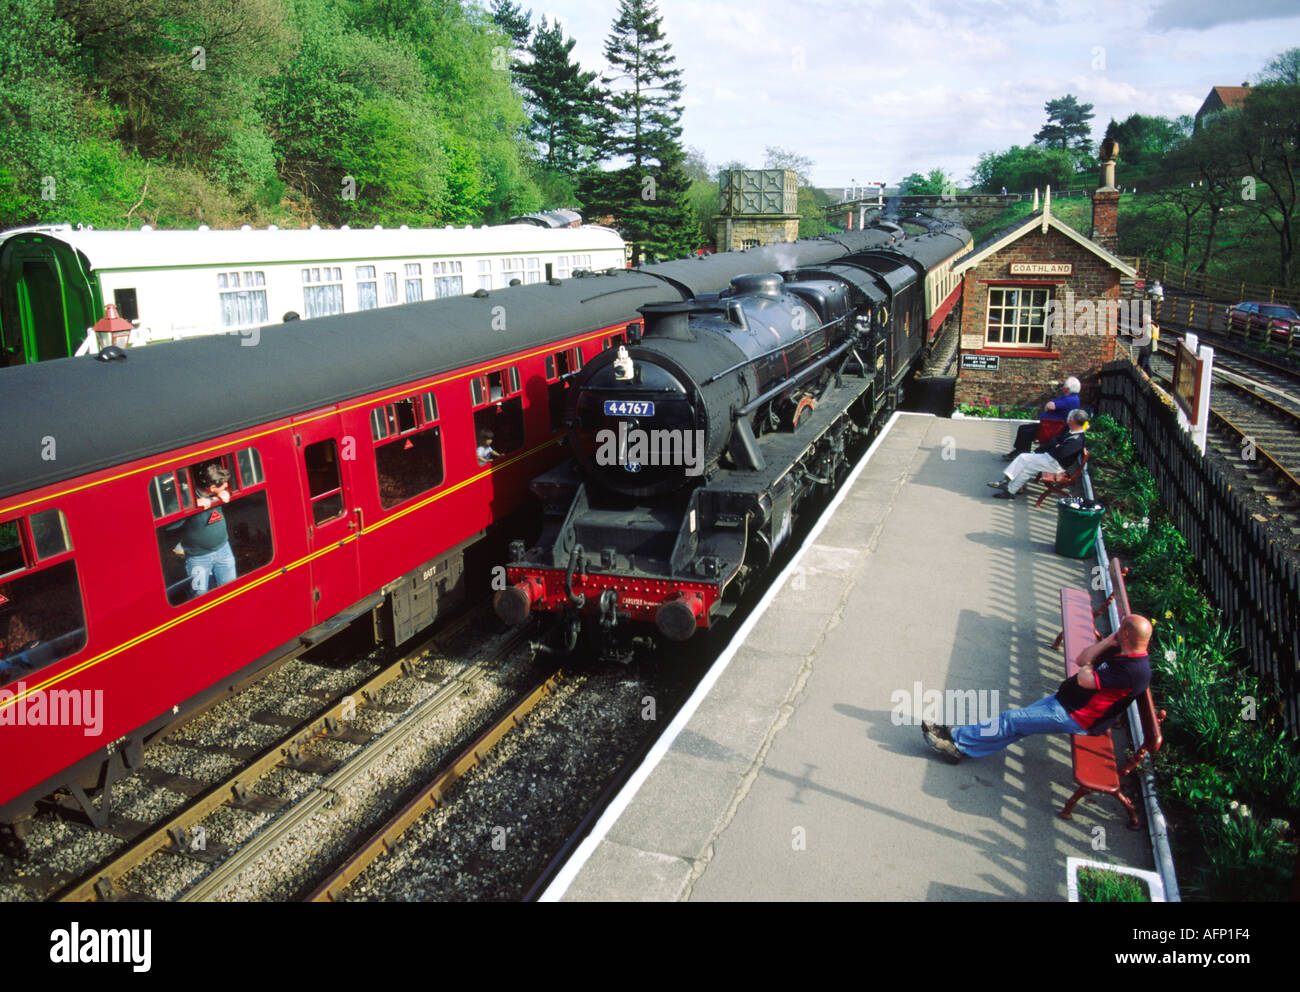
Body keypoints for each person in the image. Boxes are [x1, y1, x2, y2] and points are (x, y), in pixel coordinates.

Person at [922, 614, 1153, 762]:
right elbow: (1082, 660)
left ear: (1125, 634)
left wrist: (1090, 667)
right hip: (1066, 701)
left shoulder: (1134, 671)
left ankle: (956, 739)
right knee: (1020, 726)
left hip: (1076, 716)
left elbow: (1085, 679)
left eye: (1119, 629)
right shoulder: (1120, 648)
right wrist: (1107, 642)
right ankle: (963, 749)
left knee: (1011, 720)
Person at [166, 463, 236, 597]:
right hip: (198, 557)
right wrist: (191, 506)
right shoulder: (185, 496)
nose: (226, 485)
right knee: (199, 595)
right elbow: (169, 525)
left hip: (224, 550)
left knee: (230, 589)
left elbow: (227, 490)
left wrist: (222, 492)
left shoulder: (216, 491)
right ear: (212, 487)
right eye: (223, 485)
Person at [988, 408, 1088, 499]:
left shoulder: (1077, 440)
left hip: (1056, 464)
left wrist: (1056, 445)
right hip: (1051, 458)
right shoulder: (1070, 430)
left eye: (1069, 417)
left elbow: (1060, 453)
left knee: (1023, 458)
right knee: (1027, 467)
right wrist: (1056, 445)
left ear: (1072, 421)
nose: (1068, 418)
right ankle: (1010, 490)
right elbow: (1054, 439)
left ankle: (1006, 482)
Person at [1003, 377, 1081, 459]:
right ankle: (1019, 450)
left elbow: (1050, 405)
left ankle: (1022, 453)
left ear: (1067, 388)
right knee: (1023, 428)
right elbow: (1051, 404)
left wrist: (1049, 405)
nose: (1062, 387)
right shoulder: (1068, 397)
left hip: (1053, 428)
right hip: (1049, 425)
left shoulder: (1070, 399)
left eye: (1064, 385)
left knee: (1025, 431)